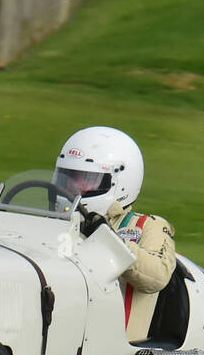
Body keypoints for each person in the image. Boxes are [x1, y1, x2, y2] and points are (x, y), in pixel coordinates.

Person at [52, 126, 176, 340]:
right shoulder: (51, 220)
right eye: (70, 177)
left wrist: (106, 237)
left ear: (119, 182)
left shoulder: (147, 225)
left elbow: (158, 276)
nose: (75, 187)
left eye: (88, 179)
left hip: (115, 347)